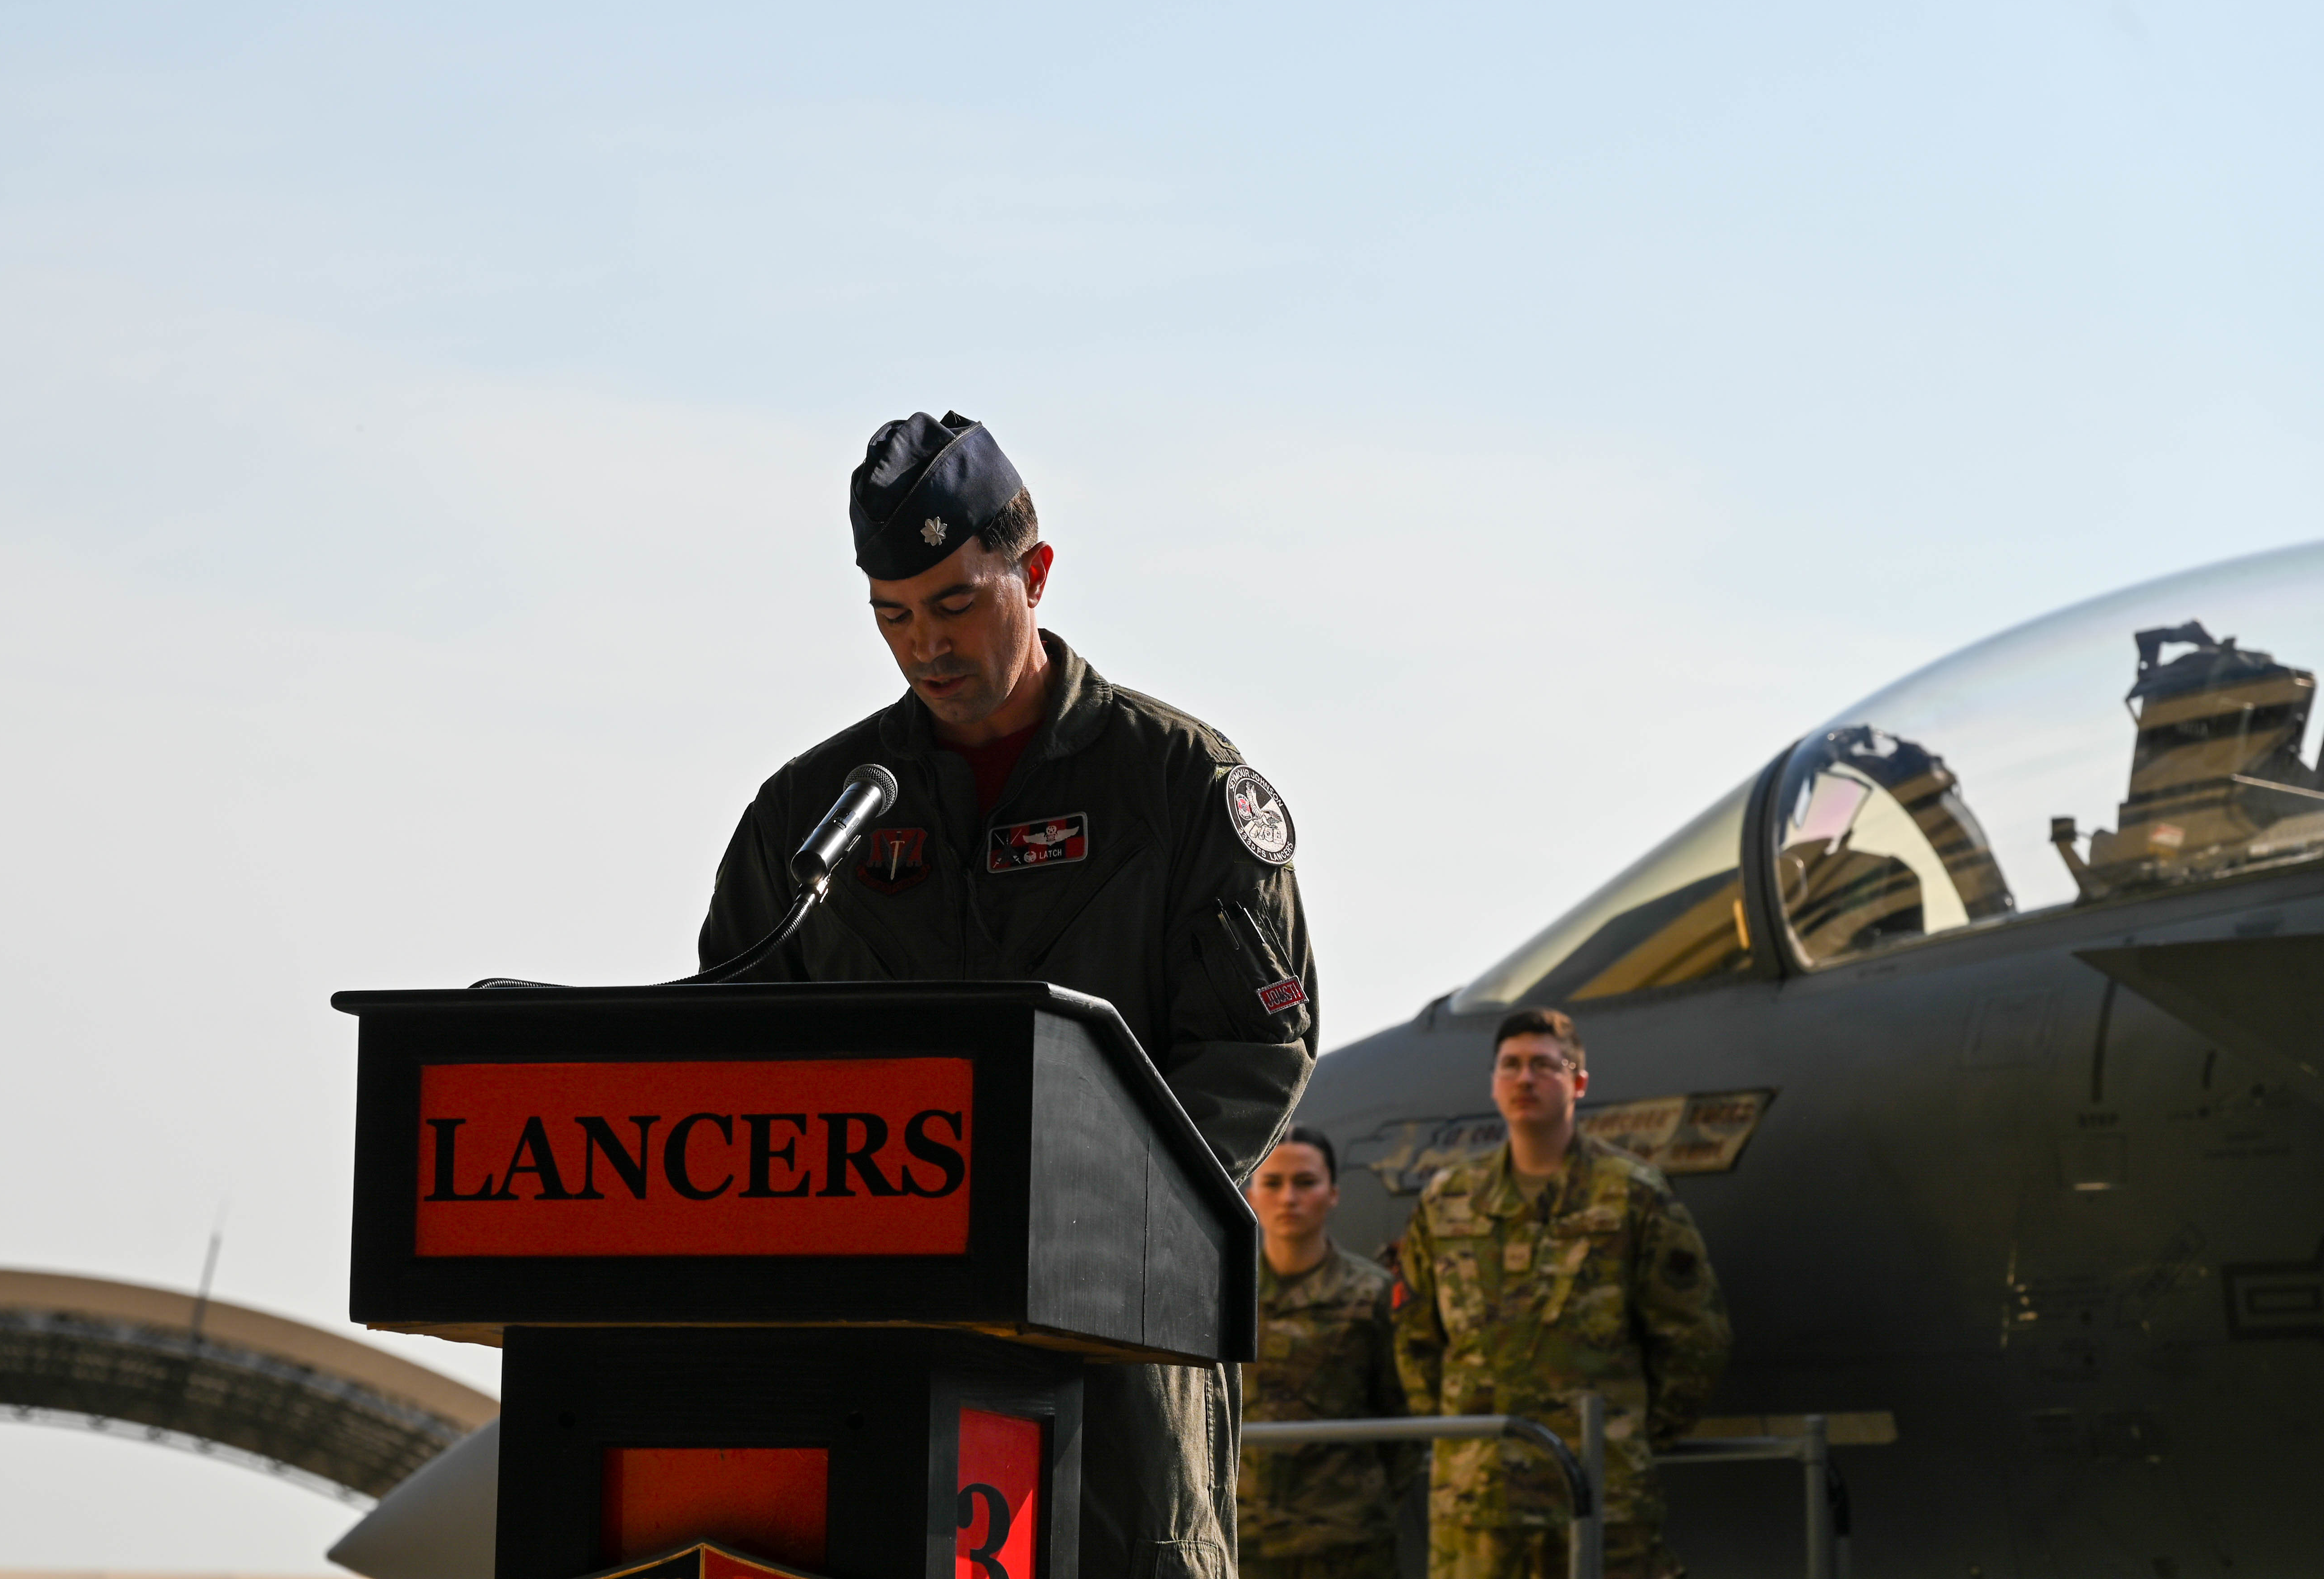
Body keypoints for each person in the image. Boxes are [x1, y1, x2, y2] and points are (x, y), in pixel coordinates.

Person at [700, 411, 1318, 1579]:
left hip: (1116, 1350)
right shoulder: (815, 815)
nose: (924, 646)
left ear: (1032, 574)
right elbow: (729, 1060)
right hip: (877, 1362)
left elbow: (1255, 1053)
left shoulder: (1178, 786)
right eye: (891, 617)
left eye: (954, 603)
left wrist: (1072, 1216)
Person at [1392, 1008, 1729, 1579]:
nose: (1525, 1078)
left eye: (1545, 1065)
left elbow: (1694, 1336)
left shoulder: (1632, 1194)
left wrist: (1629, 1440)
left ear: (1578, 1083)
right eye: (1511, 1065)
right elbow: (1415, 1335)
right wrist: (1460, 1438)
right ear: (1495, 1081)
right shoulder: (1448, 1200)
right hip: (1478, 1506)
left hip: (1599, 1498)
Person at [1238, 1124, 1412, 1579]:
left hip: (1347, 1539)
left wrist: (1359, 1498)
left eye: (1306, 1182)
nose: (1289, 1198)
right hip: (1241, 1534)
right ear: (1252, 1194)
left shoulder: (1373, 1293)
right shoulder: (1225, 1292)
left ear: (1333, 1193)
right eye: (1272, 1183)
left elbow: (1405, 1417)